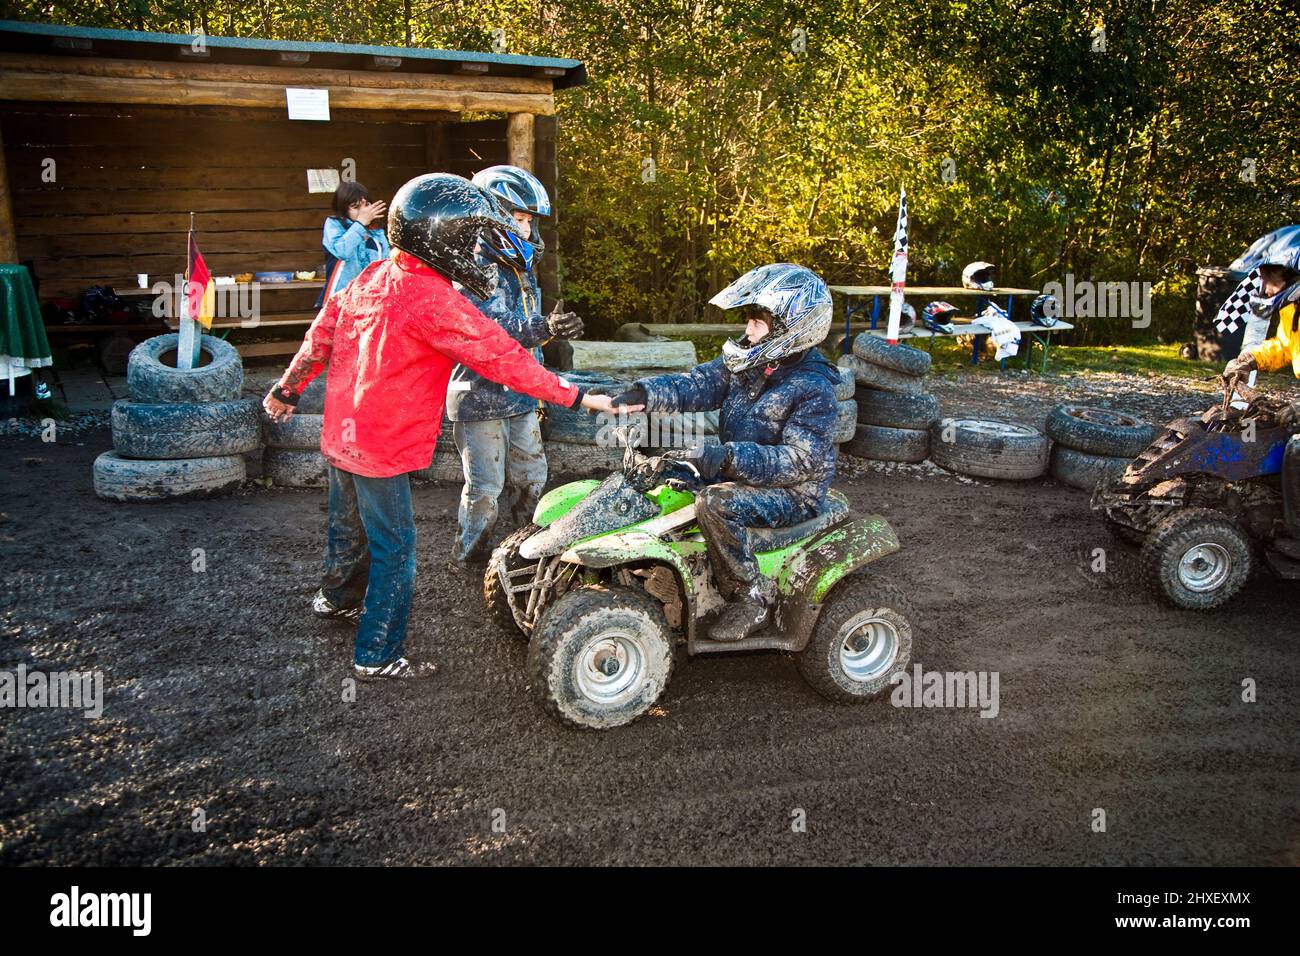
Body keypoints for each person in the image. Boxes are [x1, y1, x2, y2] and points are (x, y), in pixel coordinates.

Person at [262, 173, 635, 680]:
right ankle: (377, 655)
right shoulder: (431, 297)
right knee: (395, 550)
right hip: (381, 445)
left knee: (346, 526)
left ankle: (336, 598)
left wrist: (287, 389)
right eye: (469, 235)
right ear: (444, 238)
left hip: (342, 433)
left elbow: (319, 337)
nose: (476, 244)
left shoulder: (371, 274)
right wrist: (576, 395)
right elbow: (501, 355)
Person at [613, 263, 840, 643]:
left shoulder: (813, 389)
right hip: (740, 473)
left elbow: (801, 462)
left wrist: (726, 457)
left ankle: (748, 598)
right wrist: (644, 394)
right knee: (666, 477)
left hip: (793, 493)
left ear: (792, 327)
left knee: (716, 503)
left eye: (758, 322)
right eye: (748, 320)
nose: (747, 330)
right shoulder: (749, 364)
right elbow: (698, 384)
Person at [447, 165, 584, 567]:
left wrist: (553, 331)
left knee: (531, 477)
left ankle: (529, 551)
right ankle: (470, 558)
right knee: (485, 488)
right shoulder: (474, 267)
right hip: (479, 395)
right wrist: (545, 326)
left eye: (529, 221)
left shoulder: (520, 269)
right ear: (493, 216)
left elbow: (526, 333)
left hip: (521, 391)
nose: (525, 229)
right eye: (518, 219)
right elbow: (490, 329)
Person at [1223, 251, 1300, 558]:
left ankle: (1297, 534)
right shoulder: (1293, 308)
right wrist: (1250, 359)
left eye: (1273, 282)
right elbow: (1284, 346)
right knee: (1269, 433)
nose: (1266, 289)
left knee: (1297, 449)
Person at [317, 181, 389, 306]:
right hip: (339, 301)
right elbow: (341, 251)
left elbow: (385, 264)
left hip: (369, 300)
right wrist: (360, 224)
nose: (363, 211)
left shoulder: (377, 232)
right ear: (343, 209)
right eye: (356, 207)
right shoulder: (335, 224)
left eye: (366, 205)